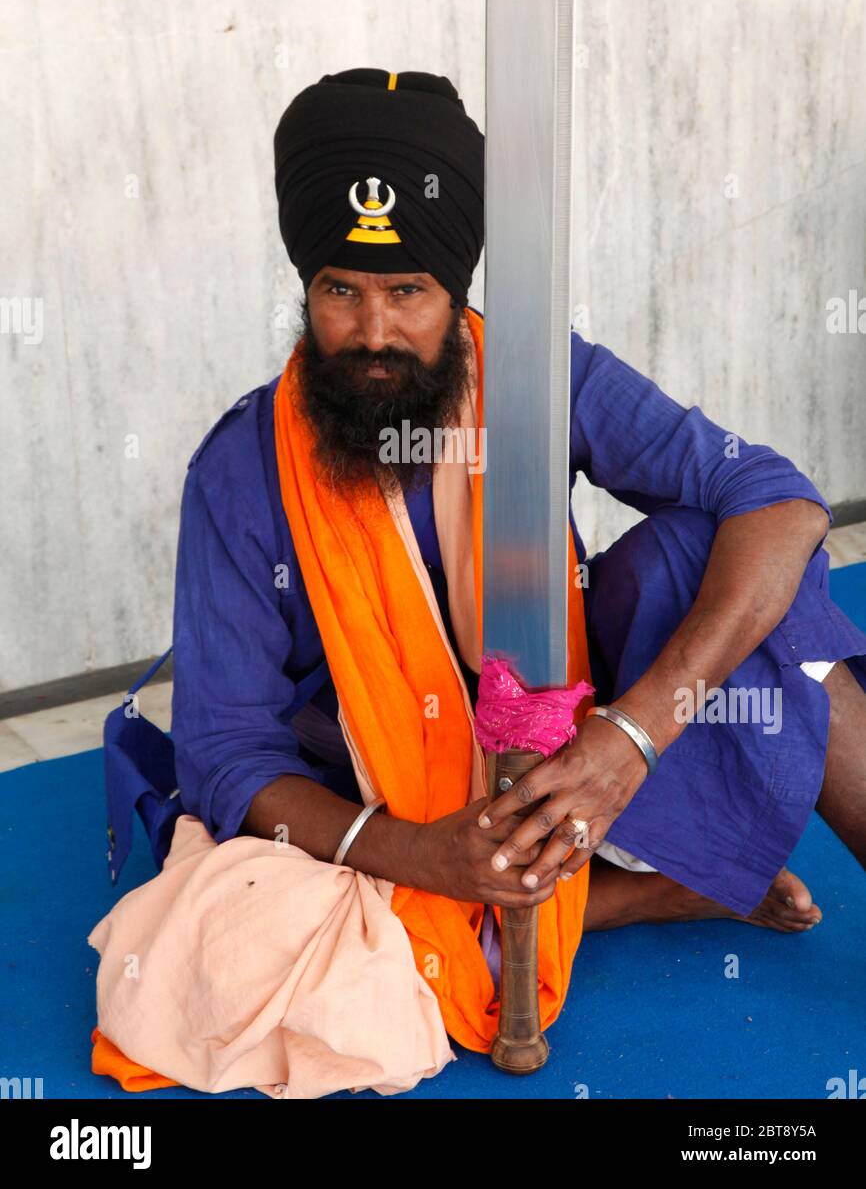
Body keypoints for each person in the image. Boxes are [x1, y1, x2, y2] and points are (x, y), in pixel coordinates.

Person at [88, 68, 866, 1099]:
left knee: (713, 564)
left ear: (454, 298)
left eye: (405, 292)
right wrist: (420, 852)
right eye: (340, 291)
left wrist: (629, 739)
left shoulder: (539, 375)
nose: (371, 334)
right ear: (305, 290)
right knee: (212, 948)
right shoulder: (238, 470)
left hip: (564, 764)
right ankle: (628, 894)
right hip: (370, 814)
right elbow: (229, 755)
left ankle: (588, 876)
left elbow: (778, 503)